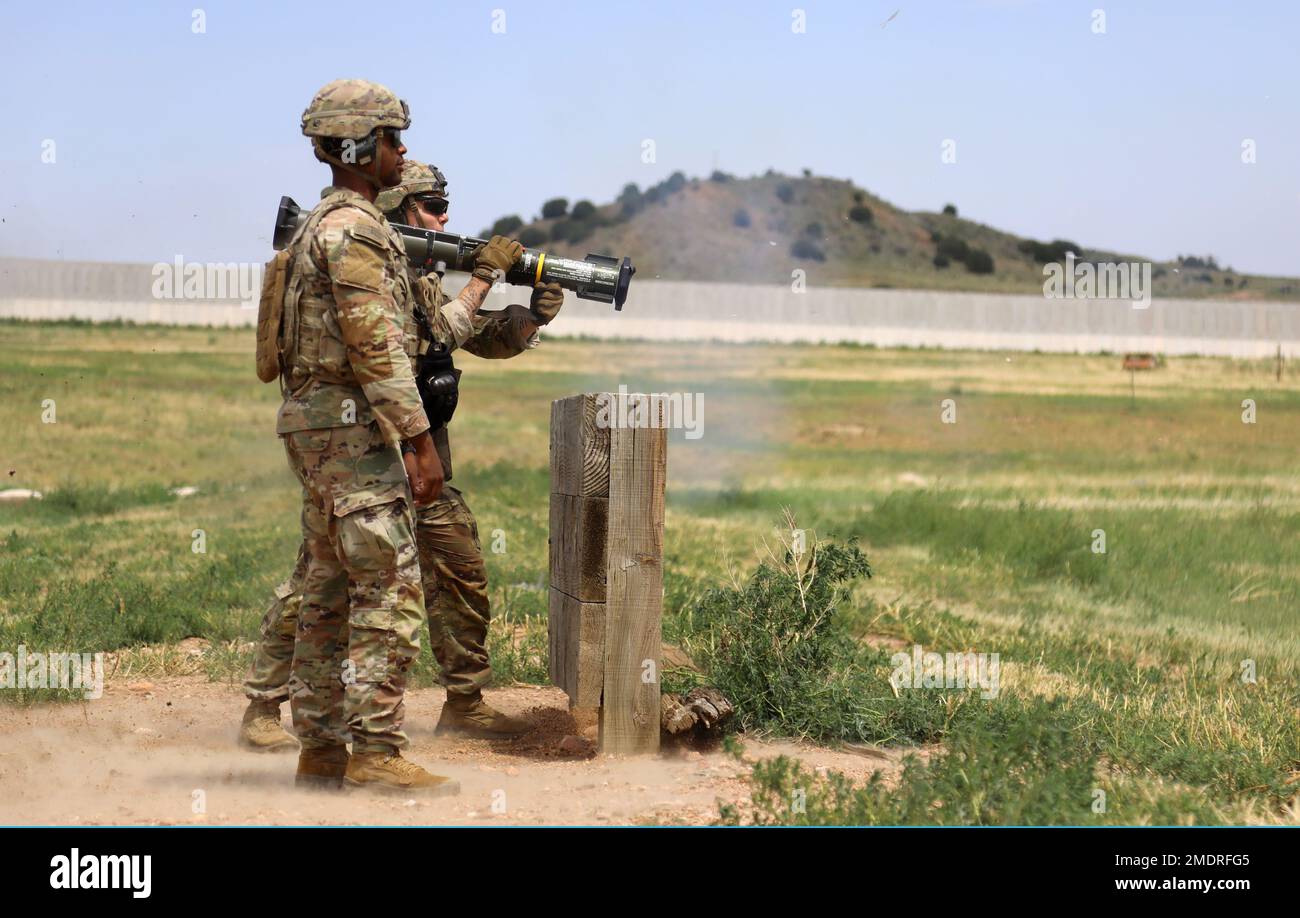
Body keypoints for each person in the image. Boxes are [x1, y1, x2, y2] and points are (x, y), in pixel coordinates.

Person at [275, 78, 520, 793]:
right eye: (390, 137)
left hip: (321, 431)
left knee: (325, 592)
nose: (400, 148)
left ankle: (321, 752)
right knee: (389, 590)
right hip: (355, 436)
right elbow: (376, 345)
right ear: (358, 146)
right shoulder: (353, 230)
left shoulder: (320, 223)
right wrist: (416, 440)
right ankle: (376, 753)